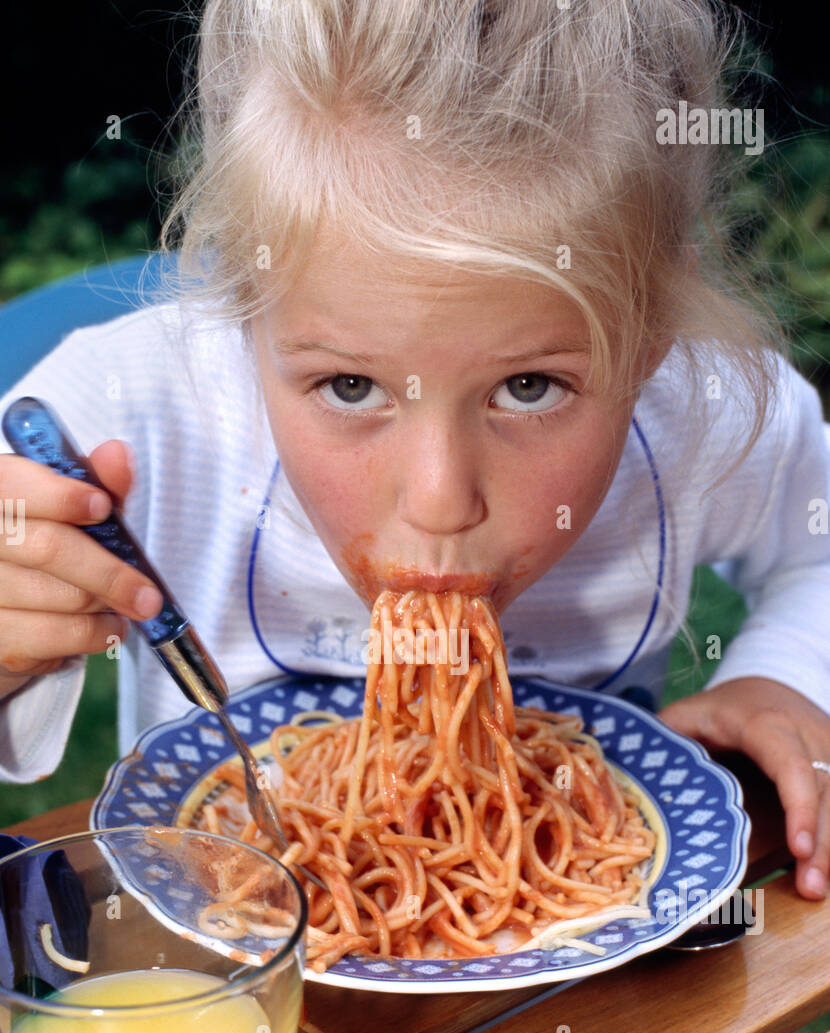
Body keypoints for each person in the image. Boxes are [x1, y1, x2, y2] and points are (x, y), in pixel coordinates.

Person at [0, 0, 828, 902]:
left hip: (592, 980)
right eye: (351, 389)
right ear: (243, 311)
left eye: (528, 388)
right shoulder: (127, 417)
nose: (440, 500)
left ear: (651, 341)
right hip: (232, 980)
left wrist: (783, 680)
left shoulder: (695, 418)